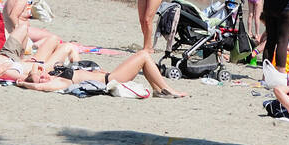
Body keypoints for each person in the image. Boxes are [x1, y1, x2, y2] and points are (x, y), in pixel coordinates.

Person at [11, 49, 187, 97]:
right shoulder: (59, 83)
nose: (43, 76)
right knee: (143, 56)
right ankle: (166, 89)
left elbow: (36, 69)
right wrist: (27, 84)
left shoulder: (54, 75)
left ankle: (158, 88)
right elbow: (42, 88)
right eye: (41, 79)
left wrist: (27, 76)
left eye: (41, 75)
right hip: (111, 79)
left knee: (143, 58)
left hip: (111, 75)